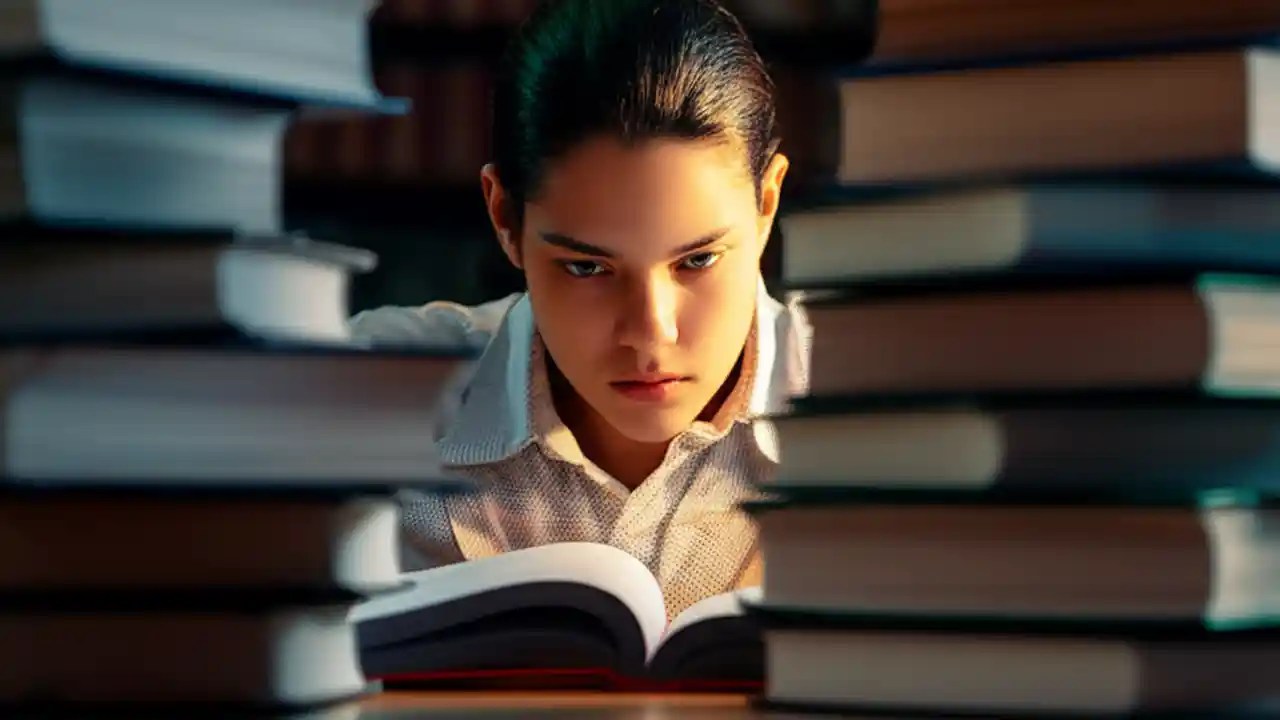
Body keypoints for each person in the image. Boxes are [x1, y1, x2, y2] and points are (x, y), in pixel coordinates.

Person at [350, 0, 810, 619]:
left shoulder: (892, 408)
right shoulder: (353, 397)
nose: (651, 334)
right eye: (588, 268)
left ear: (766, 204)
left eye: (697, 261)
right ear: (504, 218)